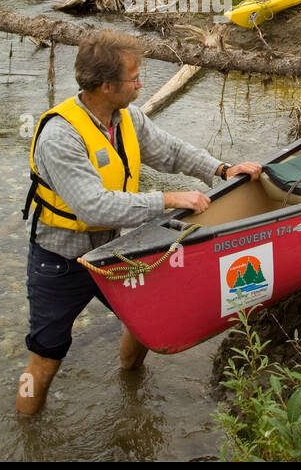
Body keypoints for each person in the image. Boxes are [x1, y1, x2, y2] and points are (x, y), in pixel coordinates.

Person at [16, 29, 261, 415]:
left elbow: (171, 151)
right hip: (59, 262)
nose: (140, 83)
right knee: (46, 358)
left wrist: (221, 169)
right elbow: (94, 207)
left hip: (113, 249)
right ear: (107, 86)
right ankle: (27, 432)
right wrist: (168, 199)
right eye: (134, 77)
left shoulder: (124, 117)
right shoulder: (60, 137)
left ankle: (130, 383)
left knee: (144, 318)